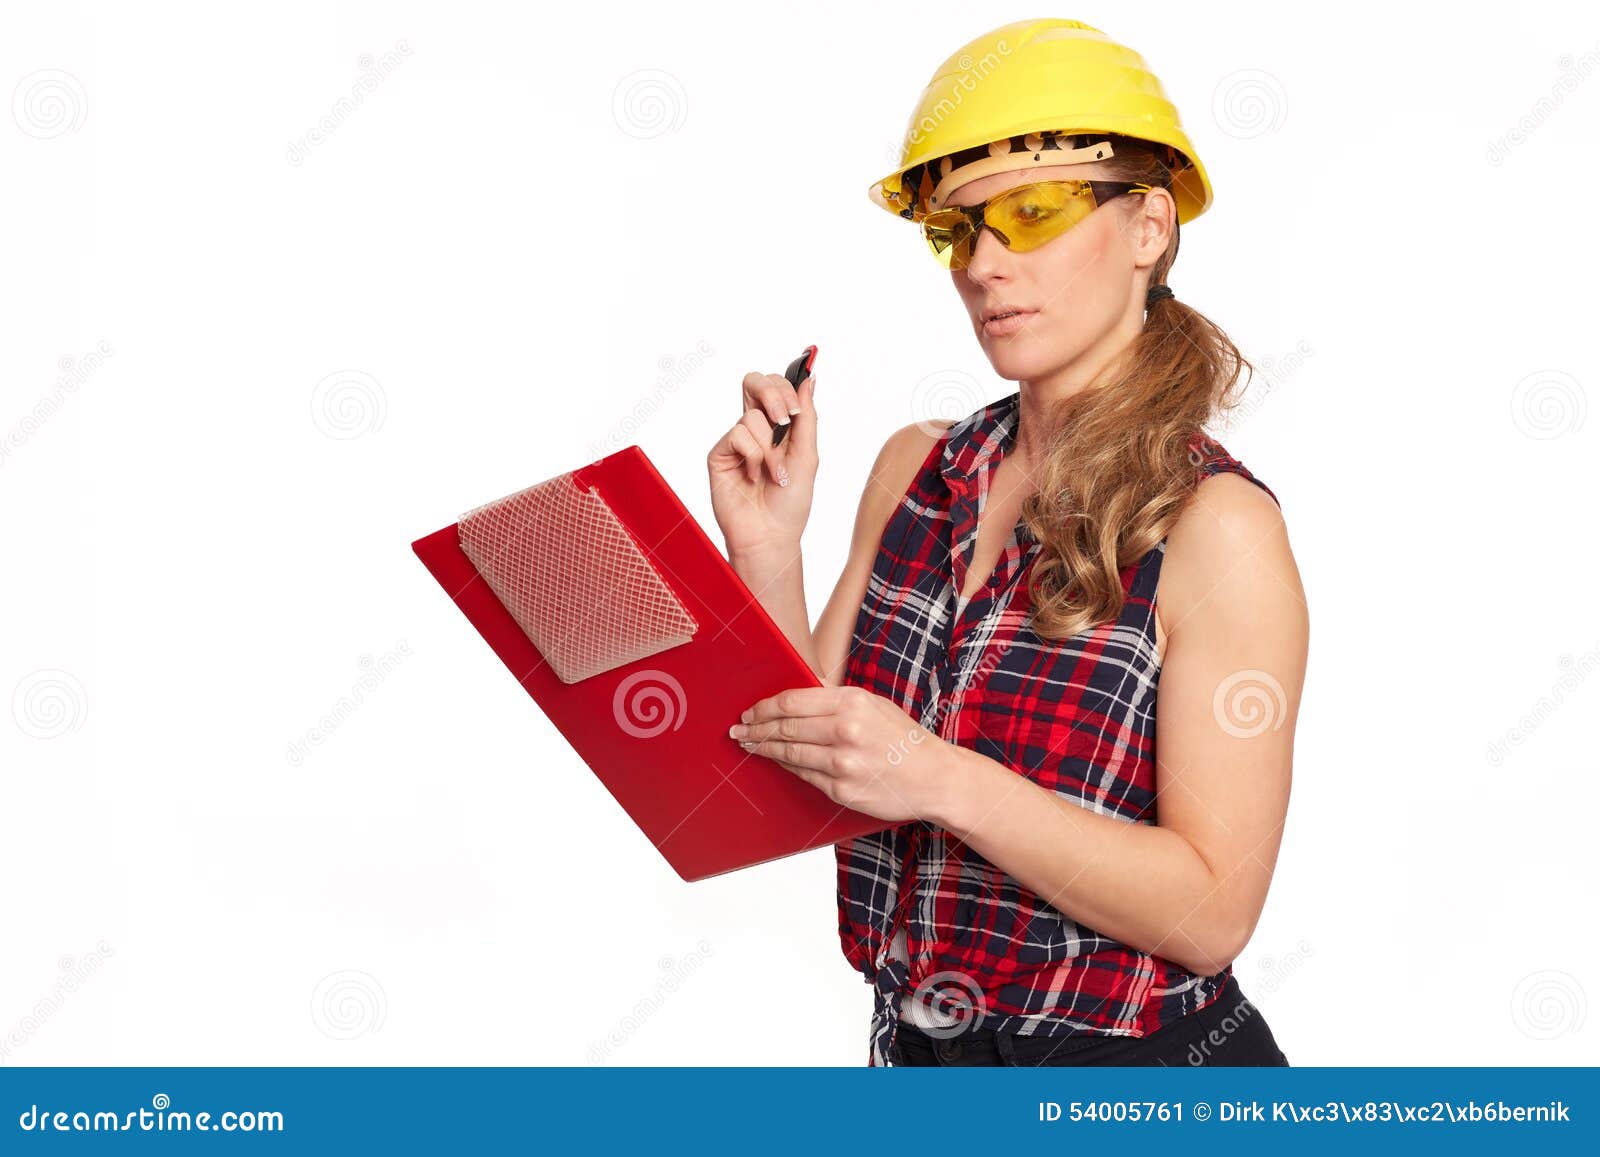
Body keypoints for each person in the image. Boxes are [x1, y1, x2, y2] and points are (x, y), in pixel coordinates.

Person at [708, 17, 1307, 1067]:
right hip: (921, 1062)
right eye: (958, 230)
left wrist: (938, 776)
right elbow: (803, 771)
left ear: (1148, 226)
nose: (985, 265)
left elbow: (1213, 912)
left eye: (1033, 214)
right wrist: (768, 548)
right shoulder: (916, 470)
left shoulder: (1216, 526)